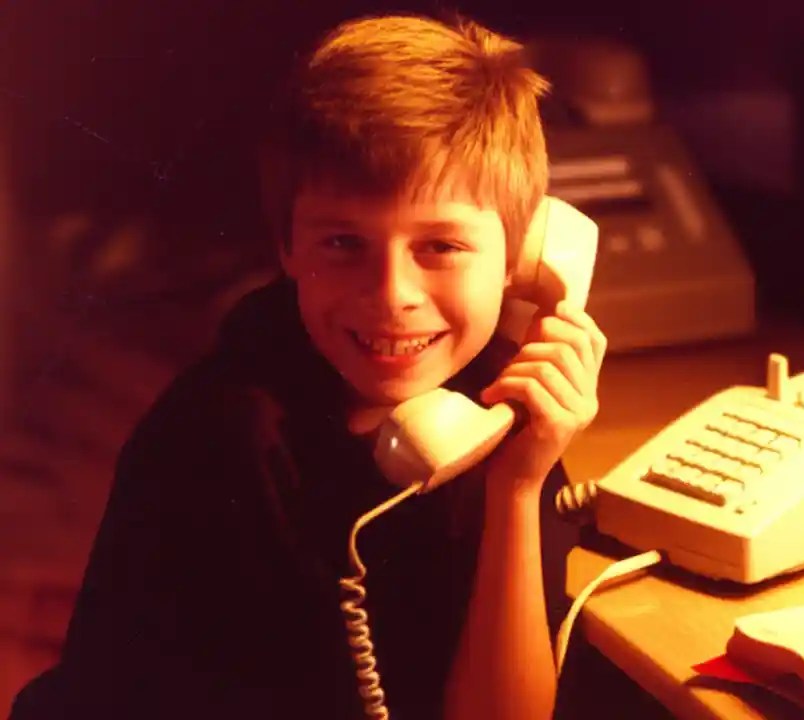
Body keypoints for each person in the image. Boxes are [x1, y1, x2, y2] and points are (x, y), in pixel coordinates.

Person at [10, 13, 606, 720]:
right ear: (287, 247)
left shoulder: (505, 405)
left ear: (521, 256)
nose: (392, 294)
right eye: (344, 243)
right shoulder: (220, 442)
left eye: (441, 246)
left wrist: (518, 488)